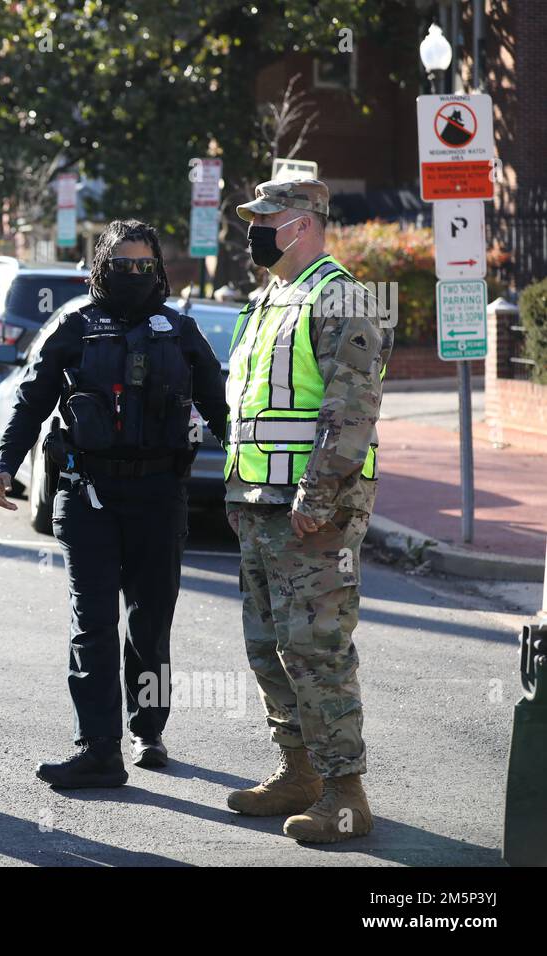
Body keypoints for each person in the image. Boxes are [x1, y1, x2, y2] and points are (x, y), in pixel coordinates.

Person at [0, 219, 228, 788]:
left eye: (145, 266)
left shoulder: (179, 330)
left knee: (151, 621)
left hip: (159, 496)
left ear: (159, 270)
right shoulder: (75, 326)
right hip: (88, 494)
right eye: (123, 265)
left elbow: (221, 408)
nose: (135, 276)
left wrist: (250, 472)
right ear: (102, 268)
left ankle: (148, 730)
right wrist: (4, 462)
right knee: (92, 623)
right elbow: (30, 400)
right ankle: (99, 747)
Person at [223, 178, 391, 843]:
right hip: (262, 503)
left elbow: (351, 409)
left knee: (317, 647)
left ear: (304, 223)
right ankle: (299, 773)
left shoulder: (340, 296)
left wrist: (317, 494)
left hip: (315, 510)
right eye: (253, 219)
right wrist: (238, 493)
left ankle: (346, 795)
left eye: (266, 218)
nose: (255, 230)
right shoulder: (267, 301)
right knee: (269, 646)